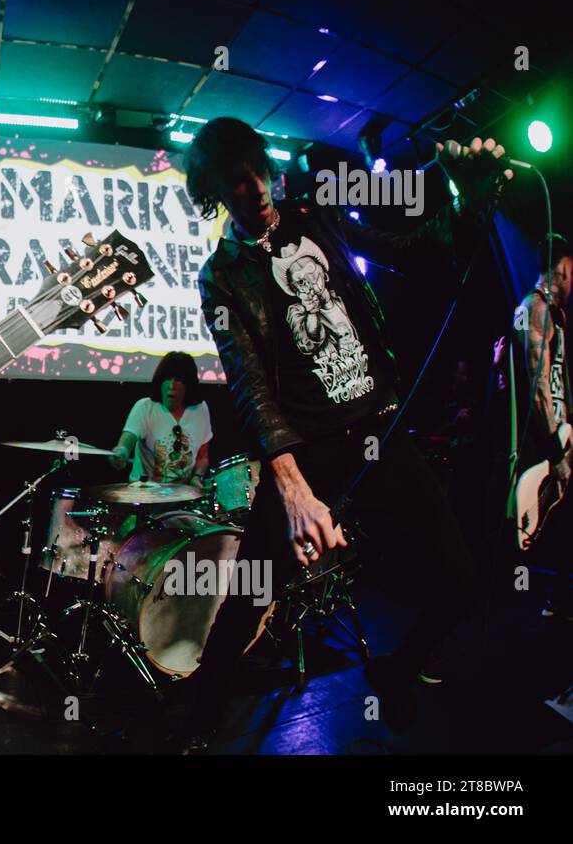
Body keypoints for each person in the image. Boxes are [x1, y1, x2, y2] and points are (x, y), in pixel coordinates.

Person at [175, 118, 510, 749]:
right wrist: (295, 492)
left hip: (379, 431)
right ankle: (199, 724)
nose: (258, 187)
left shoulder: (317, 220)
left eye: (259, 169)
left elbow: (417, 253)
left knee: (463, 583)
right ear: (216, 189)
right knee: (249, 597)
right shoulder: (221, 275)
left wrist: (465, 193)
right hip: (306, 451)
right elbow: (250, 387)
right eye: (238, 180)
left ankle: (397, 670)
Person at [510, 234, 572, 617]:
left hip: (553, 441)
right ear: (563, 270)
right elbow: (537, 388)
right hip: (542, 448)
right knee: (521, 539)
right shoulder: (536, 310)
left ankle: (556, 601)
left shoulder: (545, 313)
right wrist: (556, 451)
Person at [110, 351, 211, 486]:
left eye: (179, 380)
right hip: (145, 495)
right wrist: (121, 451)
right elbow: (126, 441)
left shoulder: (200, 409)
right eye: (167, 379)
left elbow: (203, 456)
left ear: (189, 385)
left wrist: (197, 476)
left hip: (184, 496)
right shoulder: (145, 407)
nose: (171, 386)